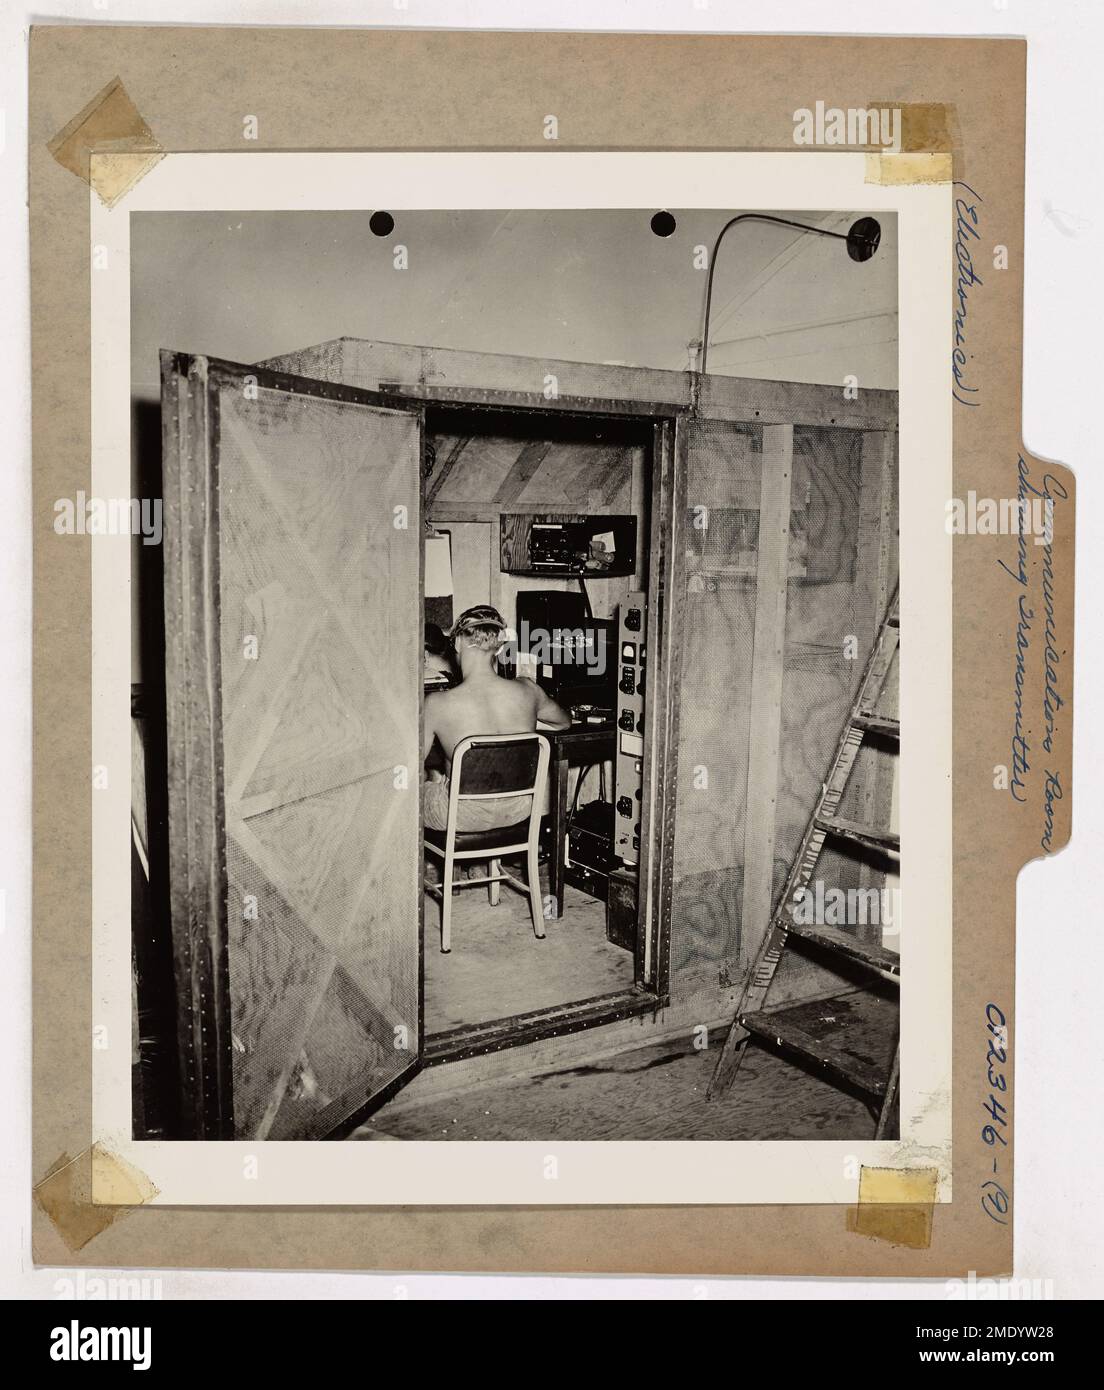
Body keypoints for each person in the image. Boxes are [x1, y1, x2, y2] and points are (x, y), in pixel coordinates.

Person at [423, 604, 570, 832]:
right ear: (499, 648)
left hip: (462, 816)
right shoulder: (528, 690)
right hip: (518, 810)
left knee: (413, 790)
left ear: (459, 643)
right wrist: (527, 719)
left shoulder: (437, 703)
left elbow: (412, 762)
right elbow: (563, 722)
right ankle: (479, 868)